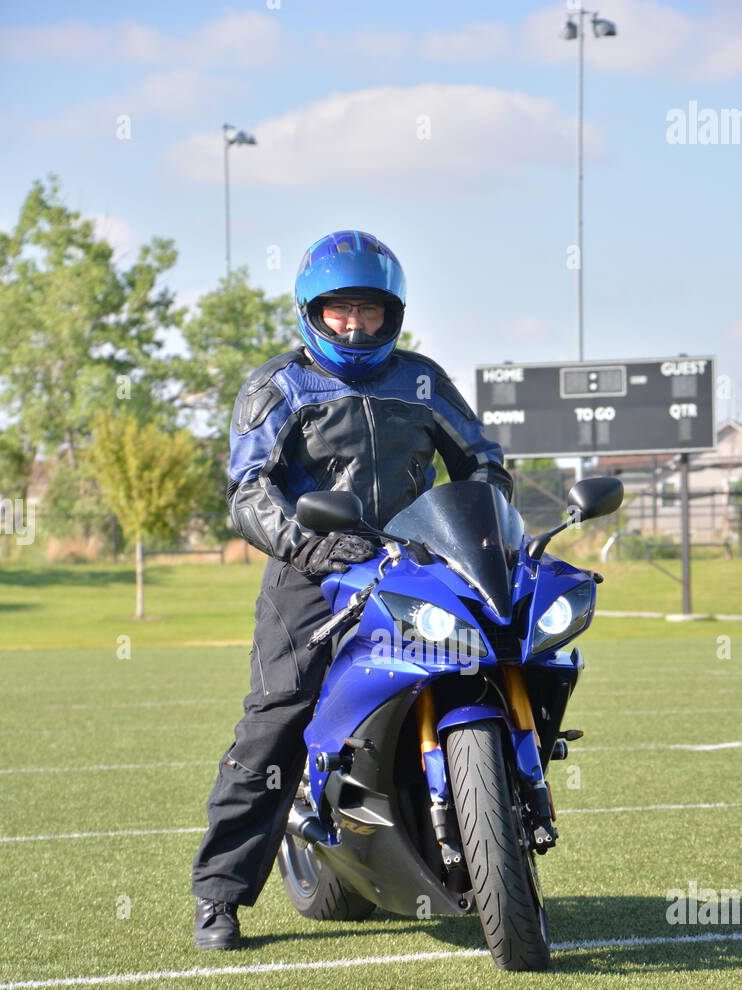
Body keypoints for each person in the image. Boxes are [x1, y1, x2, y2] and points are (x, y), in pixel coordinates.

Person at [191, 229, 512, 949]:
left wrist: (486, 519)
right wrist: (307, 542)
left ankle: (487, 823)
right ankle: (220, 895)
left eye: (369, 310)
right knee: (279, 717)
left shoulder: (422, 380)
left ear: (392, 311)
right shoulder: (279, 386)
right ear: (312, 310)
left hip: (413, 564)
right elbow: (249, 489)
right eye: (340, 310)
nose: (355, 324)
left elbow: (483, 463)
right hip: (309, 571)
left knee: (485, 665)